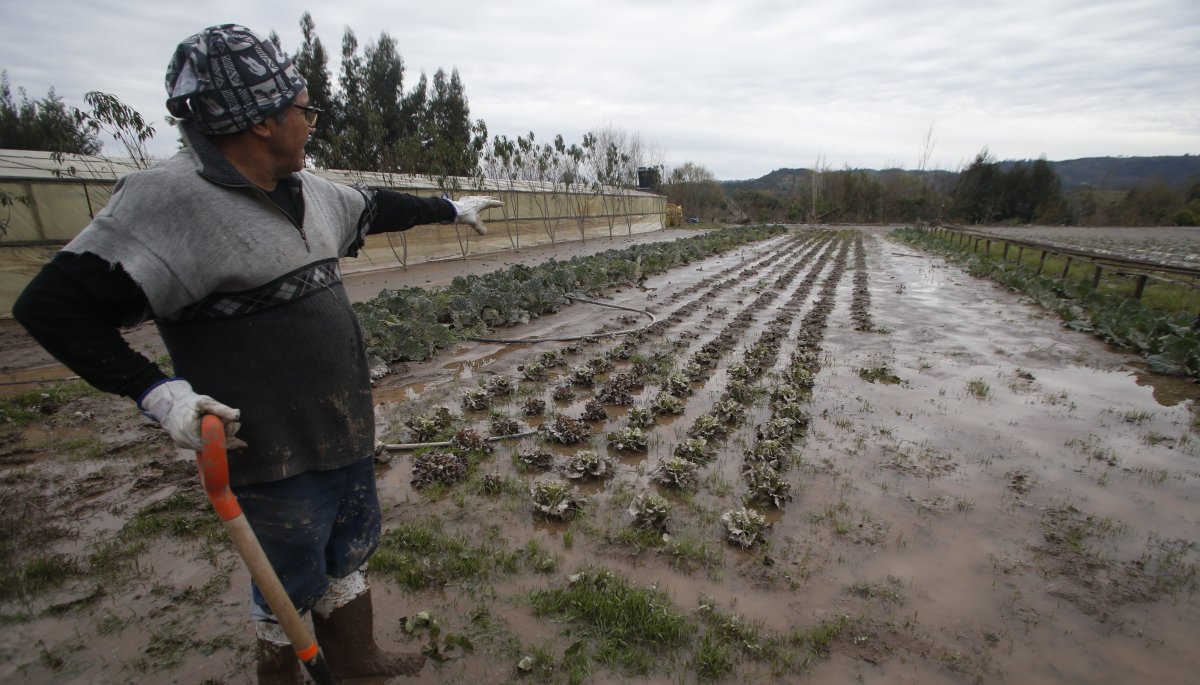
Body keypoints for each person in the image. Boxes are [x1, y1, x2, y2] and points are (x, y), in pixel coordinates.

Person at [13, 24, 501, 684]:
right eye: (305, 110)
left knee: (348, 548)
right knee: (286, 572)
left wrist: (449, 206)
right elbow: (51, 307)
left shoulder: (310, 189)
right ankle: (284, 673)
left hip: (342, 428)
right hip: (269, 450)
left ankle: (358, 659)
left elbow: (377, 206)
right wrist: (158, 393)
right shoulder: (168, 201)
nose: (311, 123)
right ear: (262, 120)